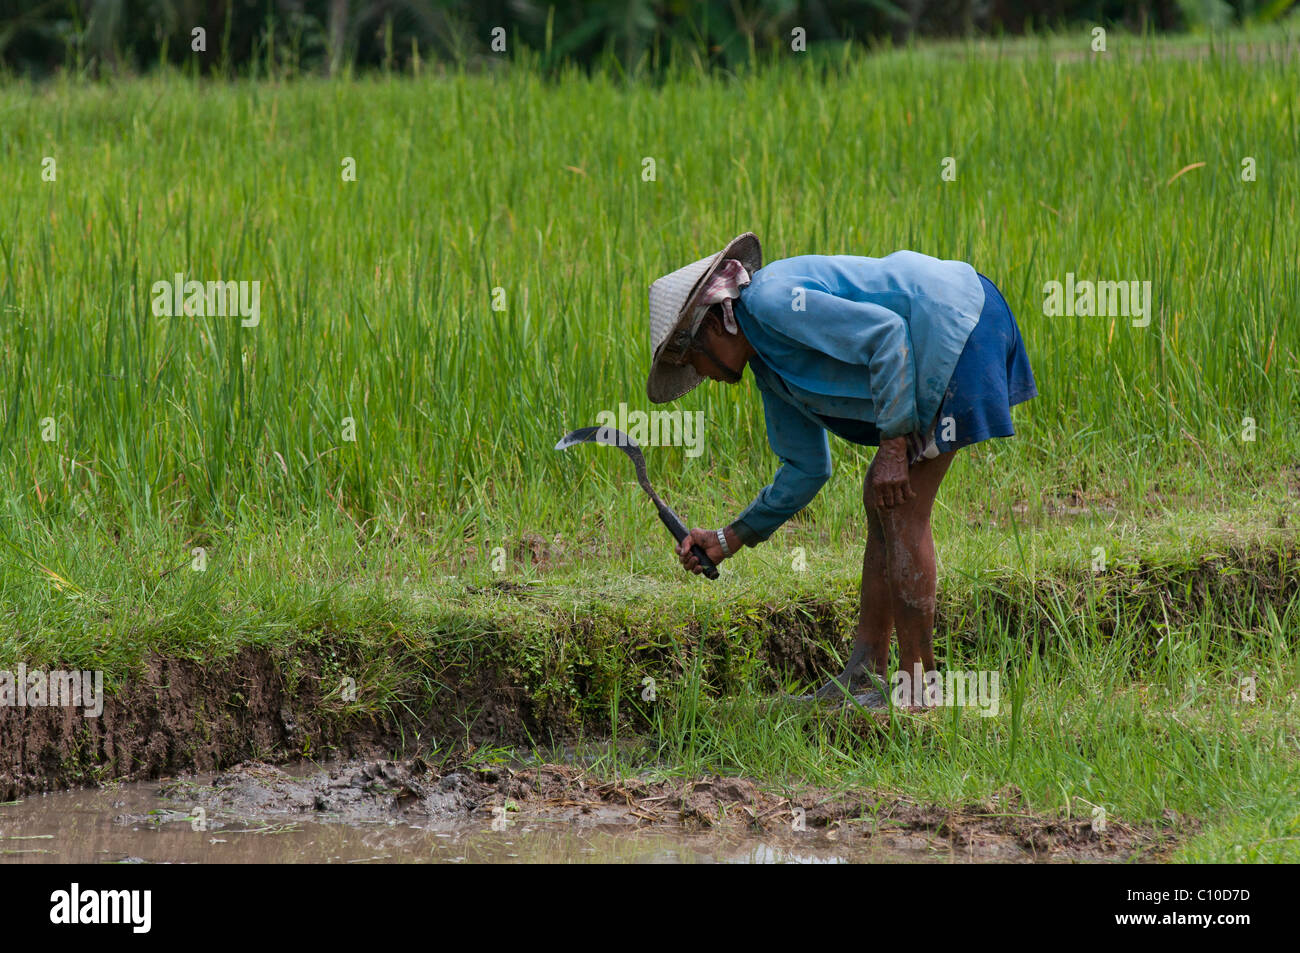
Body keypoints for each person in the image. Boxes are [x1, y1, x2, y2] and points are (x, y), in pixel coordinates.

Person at [645, 232, 1037, 706]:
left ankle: (918, 689)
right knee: (883, 499)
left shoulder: (770, 303)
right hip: (942, 335)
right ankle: (865, 673)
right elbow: (806, 469)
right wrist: (729, 538)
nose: (701, 374)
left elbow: (887, 335)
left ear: (715, 323)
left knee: (898, 507)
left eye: (692, 359)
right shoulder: (769, 367)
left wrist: (894, 444)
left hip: (956, 322)